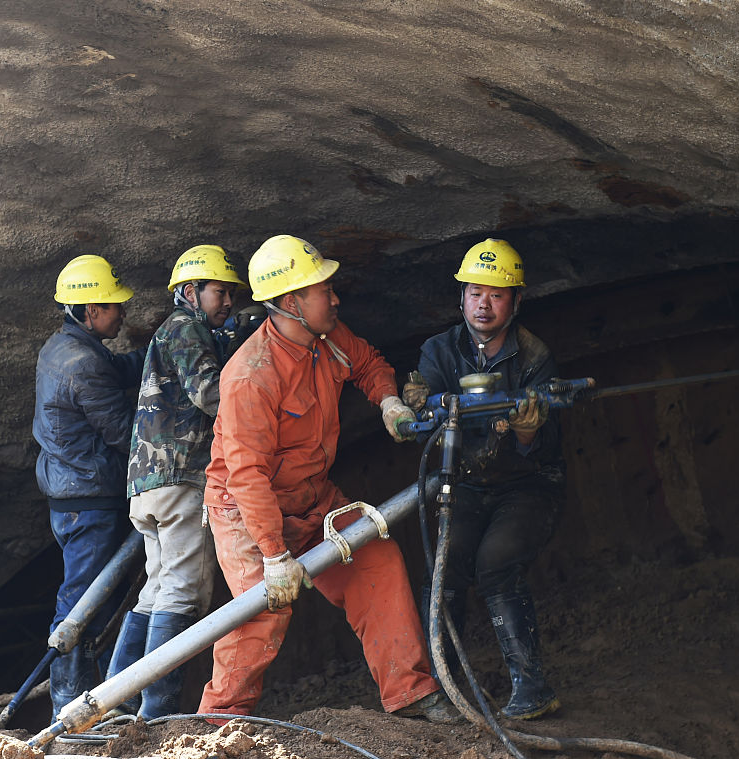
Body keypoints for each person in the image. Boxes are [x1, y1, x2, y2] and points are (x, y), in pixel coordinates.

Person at [196, 234, 461, 724]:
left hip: (313, 497)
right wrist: (274, 555)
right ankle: (217, 724)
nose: (335, 298)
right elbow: (247, 474)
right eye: (323, 290)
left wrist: (388, 401)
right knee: (262, 610)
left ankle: (411, 692)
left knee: (375, 559)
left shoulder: (328, 341)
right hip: (246, 508)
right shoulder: (251, 376)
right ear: (290, 303)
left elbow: (367, 363)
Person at [405, 238, 563, 720]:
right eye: (475, 292)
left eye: (496, 294)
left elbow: (551, 447)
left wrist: (527, 434)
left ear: (515, 301)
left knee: (495, 562)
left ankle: (531, 688)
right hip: (465, 486)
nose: (484, 303)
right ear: (461, 298)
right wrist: (417, 405)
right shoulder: (439, 350)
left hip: (526, 487)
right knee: (444, 566)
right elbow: (423, 429)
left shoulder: (534, 356)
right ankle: (445, 691)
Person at [105, 245, 256, 719]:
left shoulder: (173, 332)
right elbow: (212, 393)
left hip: (148, 482)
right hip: (181, 475)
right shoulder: (187, 328)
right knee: (184, 591)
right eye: (219, 292)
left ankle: (117, 701)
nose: (228, 301)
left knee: (157, 588)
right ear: (190, 292)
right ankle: (156, 711)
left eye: (231, 293)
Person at [33, 254, 145, 720]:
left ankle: (85, 698)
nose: (121, 312)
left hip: (70, 494)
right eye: (112, 306)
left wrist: (158, 352)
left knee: (88, 594)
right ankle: (68, 708)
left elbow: (116, 369)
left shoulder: (62, 347)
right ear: (88, 311)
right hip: (89, 498)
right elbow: (122, 432)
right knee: (82, 599)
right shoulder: (83, 363)